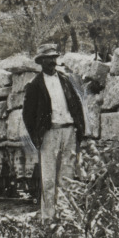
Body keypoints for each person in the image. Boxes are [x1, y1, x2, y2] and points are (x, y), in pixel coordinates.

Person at [21, 43, 89, 222]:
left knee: (67, 177)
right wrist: (38, 137)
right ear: (41, 62)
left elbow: (76, 104)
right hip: (49, 133)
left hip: (69, 131)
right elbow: (27, 115)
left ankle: (65, 216)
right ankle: (48, 218)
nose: (52, 62)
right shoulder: (35, 85)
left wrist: (79, 129)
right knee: (49, 179)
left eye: (53, 58)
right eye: (47, 59)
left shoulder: (65, 80)